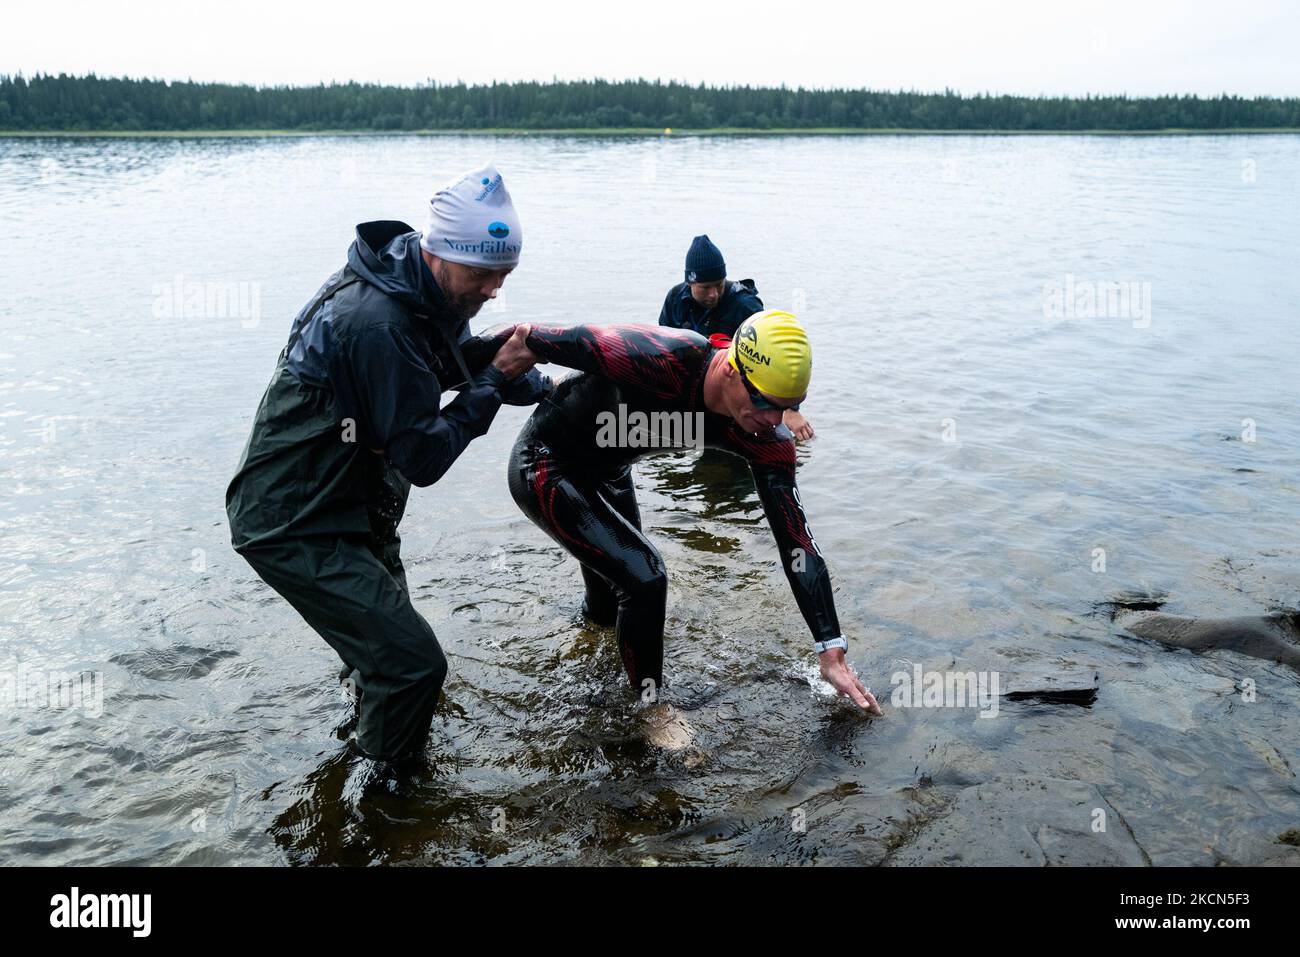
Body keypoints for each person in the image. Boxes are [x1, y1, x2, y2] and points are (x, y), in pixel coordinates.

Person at [225, 164, 548, 767]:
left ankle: (373, 752)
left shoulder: (423, 289)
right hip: (294, 522)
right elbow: (423, 456)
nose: (492, 289)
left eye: (504, 275)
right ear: (442, 253)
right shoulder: (375, 319)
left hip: (357, 504)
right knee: (411, 666)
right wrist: (492, 385)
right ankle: (388, 804)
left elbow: (419, 373)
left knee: (383, 661)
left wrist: (502, 363)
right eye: (484, 274)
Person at [506, 311, 883, 738]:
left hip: (610, 474)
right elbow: (528, 336)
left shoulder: (764, 440)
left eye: (789, 407)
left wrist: (830, 649)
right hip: (547, 464)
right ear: (731, 370)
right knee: (645, 578)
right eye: (765, 402)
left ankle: (584, 646)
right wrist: (439, 380)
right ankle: (649, 709)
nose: (775, 420)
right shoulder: (663, 356)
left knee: (611, 607)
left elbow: (797, 544)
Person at [659, 234, 814, 440]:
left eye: (719, 284)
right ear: (690, 283)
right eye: (705, 288)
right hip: (693, 388)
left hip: (734, 398)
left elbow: (778, 360)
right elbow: (664, 348)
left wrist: (791, 409)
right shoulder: (675, 299)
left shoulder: (745, 305)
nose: (714, 294)